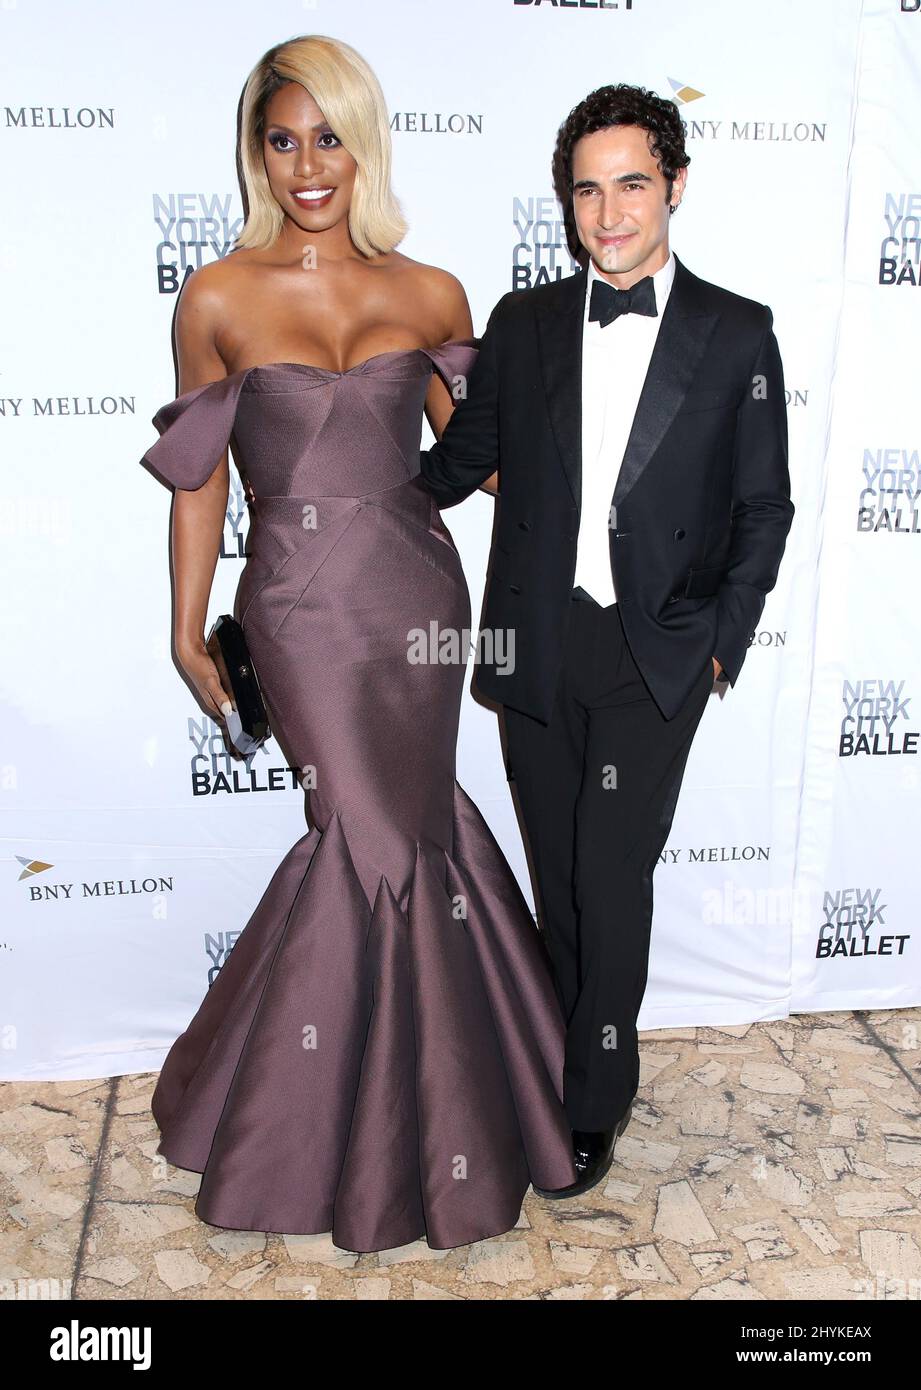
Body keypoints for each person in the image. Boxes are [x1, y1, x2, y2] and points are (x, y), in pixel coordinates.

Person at [139, 34, 577, 1254]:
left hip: (415, 598)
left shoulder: (430, 291)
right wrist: (186, 627)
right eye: (283, 140)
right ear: (257, 151)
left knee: (417, 827)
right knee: (364, 838)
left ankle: (410, 1113)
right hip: (297, 604)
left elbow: (482, 459)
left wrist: (594, 516)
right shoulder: (218, 296)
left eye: (328, 135)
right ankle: (360, 1128)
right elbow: (197, 483)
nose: (307, 164)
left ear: (364, 139)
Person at [419, 84, 795, 1198]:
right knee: (557, 877)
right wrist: (371, 387)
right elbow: (453, 469)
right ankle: (561, 1053)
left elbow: (764, 509)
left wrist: (721, 642)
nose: (610, 210)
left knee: (608, 876)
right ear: (568, 204)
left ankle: (593, 1099)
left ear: (674, 185)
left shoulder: (738, 333)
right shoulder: (527, 322)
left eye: (632, 182)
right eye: (588, 188)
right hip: (539, 645)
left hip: (654, 655)